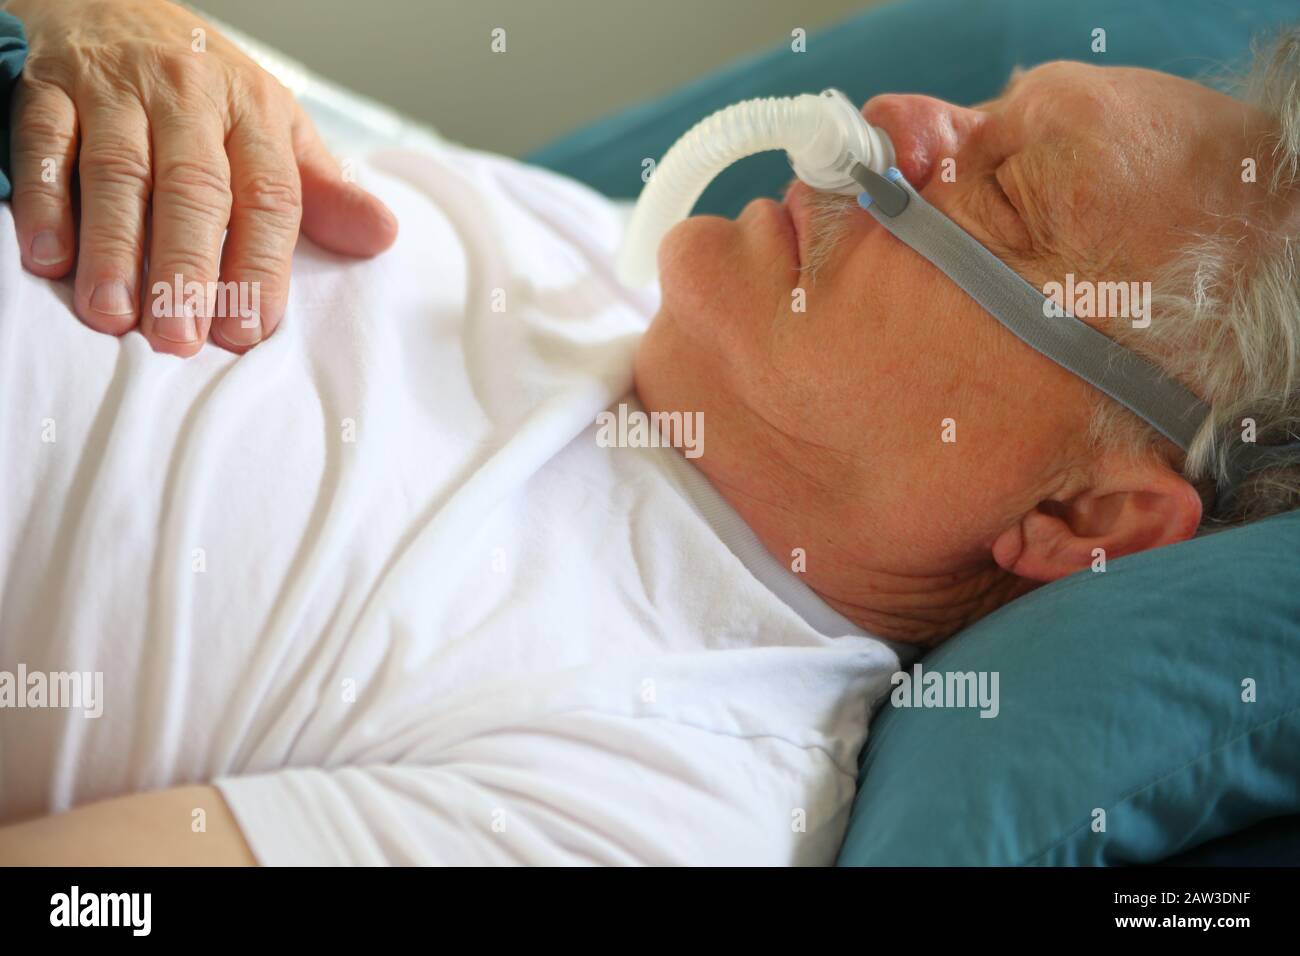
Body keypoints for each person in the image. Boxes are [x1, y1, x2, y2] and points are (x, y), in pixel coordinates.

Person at [0, 0, 1296, 864]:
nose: (903, 119)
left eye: (1006, 183)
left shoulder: (668, 789)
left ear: (1084, 517)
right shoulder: (578, 247)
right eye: (983, 111)